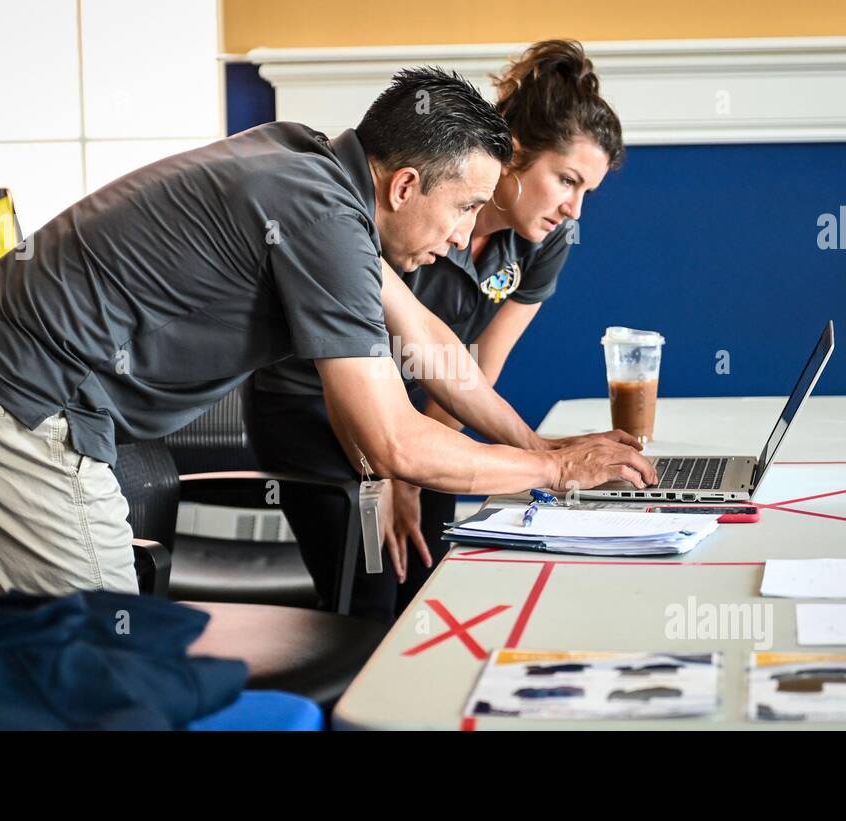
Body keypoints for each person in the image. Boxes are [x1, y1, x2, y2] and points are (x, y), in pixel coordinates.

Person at [0, 66, 654, 601]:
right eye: (462, 209)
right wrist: (553, 475)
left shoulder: (307, 163)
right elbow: (393, 444)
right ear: (406, 185)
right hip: (19, 409)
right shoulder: (326, 219)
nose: (461, 237)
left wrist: (538, 445)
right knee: (101, 685)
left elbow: (427, 339)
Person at [247, 41, 628, 622]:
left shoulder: (543, 241)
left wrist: (524, 447)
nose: (575, 209)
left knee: (433, 566)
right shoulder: (398, 213)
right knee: (374, 590)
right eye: (567, 180)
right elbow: (351, 365)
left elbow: (468, 362)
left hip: (415, 409)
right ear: (517, 154)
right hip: (317, 397)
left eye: (587, 192)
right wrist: (397, 467)